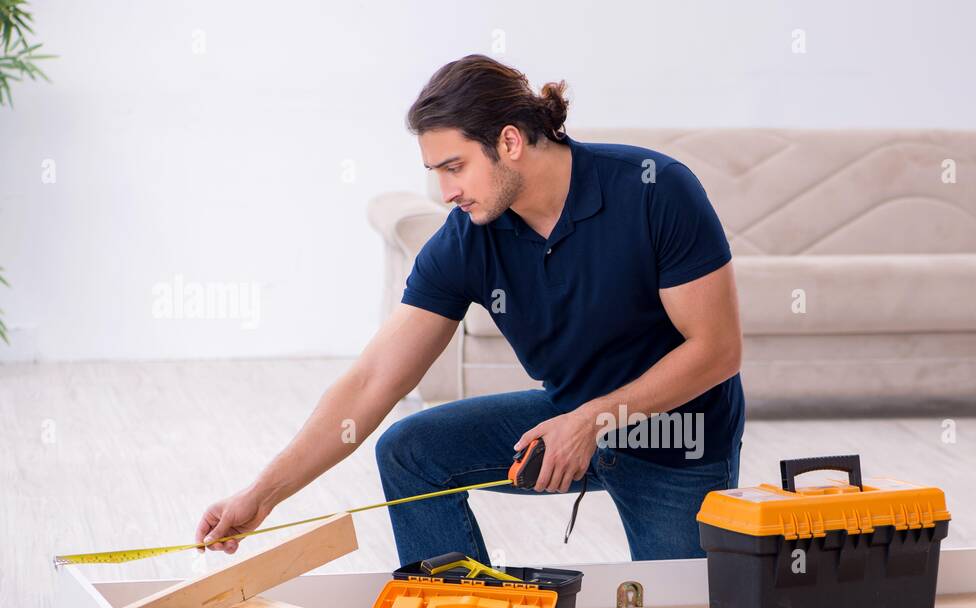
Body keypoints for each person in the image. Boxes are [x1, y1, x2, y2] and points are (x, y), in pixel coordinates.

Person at [196, 54, 745, 566]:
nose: (445, 192)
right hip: (564, 418)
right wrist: (260, 495)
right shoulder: (468, 239)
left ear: (508, 142)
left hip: (675, 440)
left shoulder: (654, 188)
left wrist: (593, 421)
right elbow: (371, 382)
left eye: (454, 167)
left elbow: (716, 351)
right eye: (436, 171)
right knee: (411, 451)